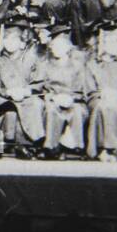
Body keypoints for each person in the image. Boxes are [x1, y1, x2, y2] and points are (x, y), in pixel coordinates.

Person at [0, 16, 45, 158]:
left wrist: (26, 91)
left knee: (34, 103)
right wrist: (7, 92)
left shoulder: (31, 58)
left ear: (22, 43)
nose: (9, 42)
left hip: (25, 96)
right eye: (6, 39)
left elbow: (39, 82)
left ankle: (25, 145)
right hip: (3, 96)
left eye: (14, 39)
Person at [31, 22, 87, 159]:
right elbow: (38, 87)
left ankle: (75, 147)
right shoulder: (45, 65)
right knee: (51, 110)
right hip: (53, 100)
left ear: (68, 48)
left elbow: (84, 89)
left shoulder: (78, 66)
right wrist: (52, 97)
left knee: (77, 111)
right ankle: (51, 147)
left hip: (74, 101)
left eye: (60, 46)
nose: (55, 49)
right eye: (53, 46)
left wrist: (71, 99)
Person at [83, 19, 117, 162]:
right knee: (102, 106)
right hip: (97, 99)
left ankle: (108, 148)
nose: (114, 46)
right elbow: (89, 90)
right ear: (102, 43)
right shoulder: (92, 64)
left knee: (112, 105)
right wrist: (103, 94)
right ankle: (106, 148)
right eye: (110, 42)